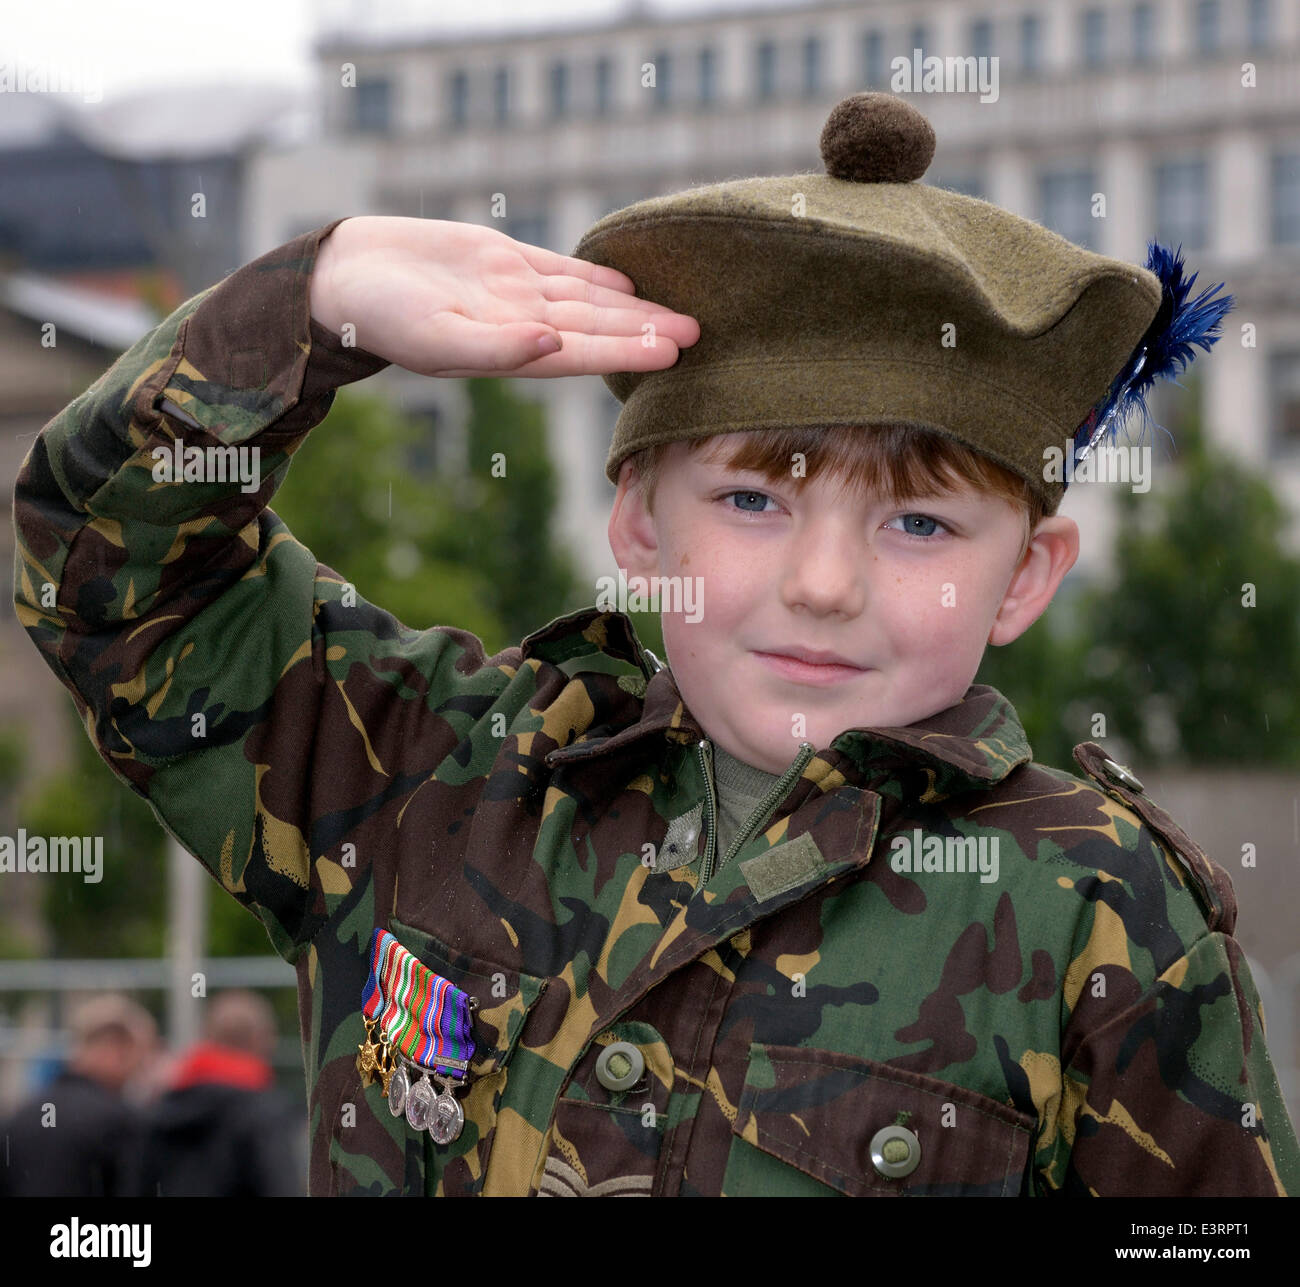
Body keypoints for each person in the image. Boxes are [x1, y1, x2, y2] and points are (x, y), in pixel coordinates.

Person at [12, 92, 1298, 1197]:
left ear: (1025, 575)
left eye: (918, 522)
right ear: (636, 519)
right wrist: (311, 303)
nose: (825, 584)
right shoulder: (430, 770)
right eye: (753, 500)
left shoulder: (1099, 909)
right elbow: (101, 564)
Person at [138, 990, 304, 1196]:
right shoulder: (264, 1112)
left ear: (207, 1035)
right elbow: (279, 1186)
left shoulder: (163, 1107)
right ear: (262, 1039)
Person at [0, 994, 155, 1196]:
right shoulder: (122, 1122)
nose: (140, 1068)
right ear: (116, 1048)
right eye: (139, 1056)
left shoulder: (19, 1119)